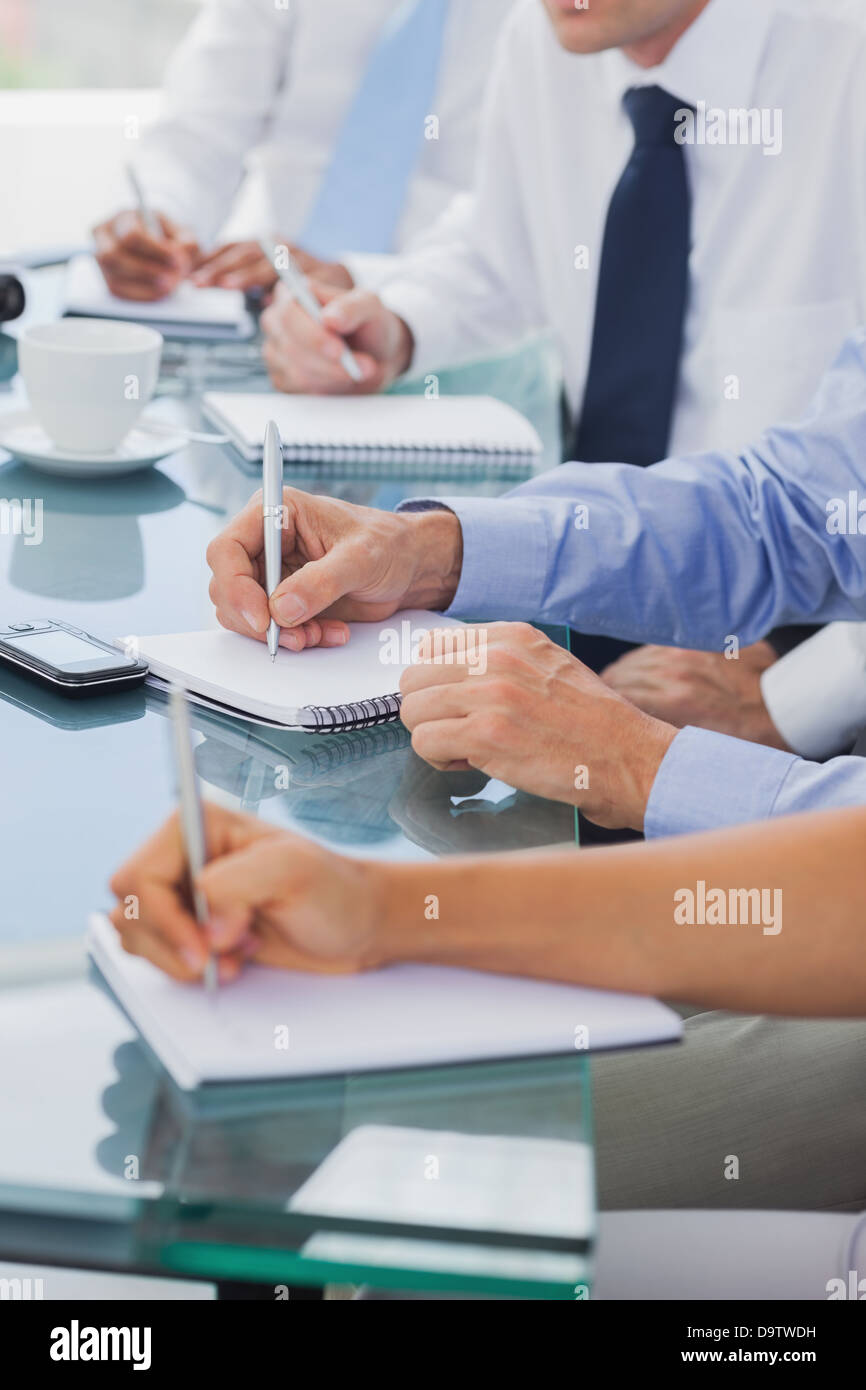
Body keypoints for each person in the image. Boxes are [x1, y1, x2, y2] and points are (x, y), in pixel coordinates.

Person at [257, 0, 866, 735]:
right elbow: (500, 249)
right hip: (598, 587)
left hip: (802, 653)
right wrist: (397, 325)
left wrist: (806, 690)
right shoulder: (550, 37)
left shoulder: (845, 58)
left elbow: (798, 510)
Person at [92, 0, 509, 301]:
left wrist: (361, 278)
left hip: (469, 343)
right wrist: (159, 219)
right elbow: (198, 137)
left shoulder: (555, 17)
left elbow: (521, 234)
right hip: (276, 316)